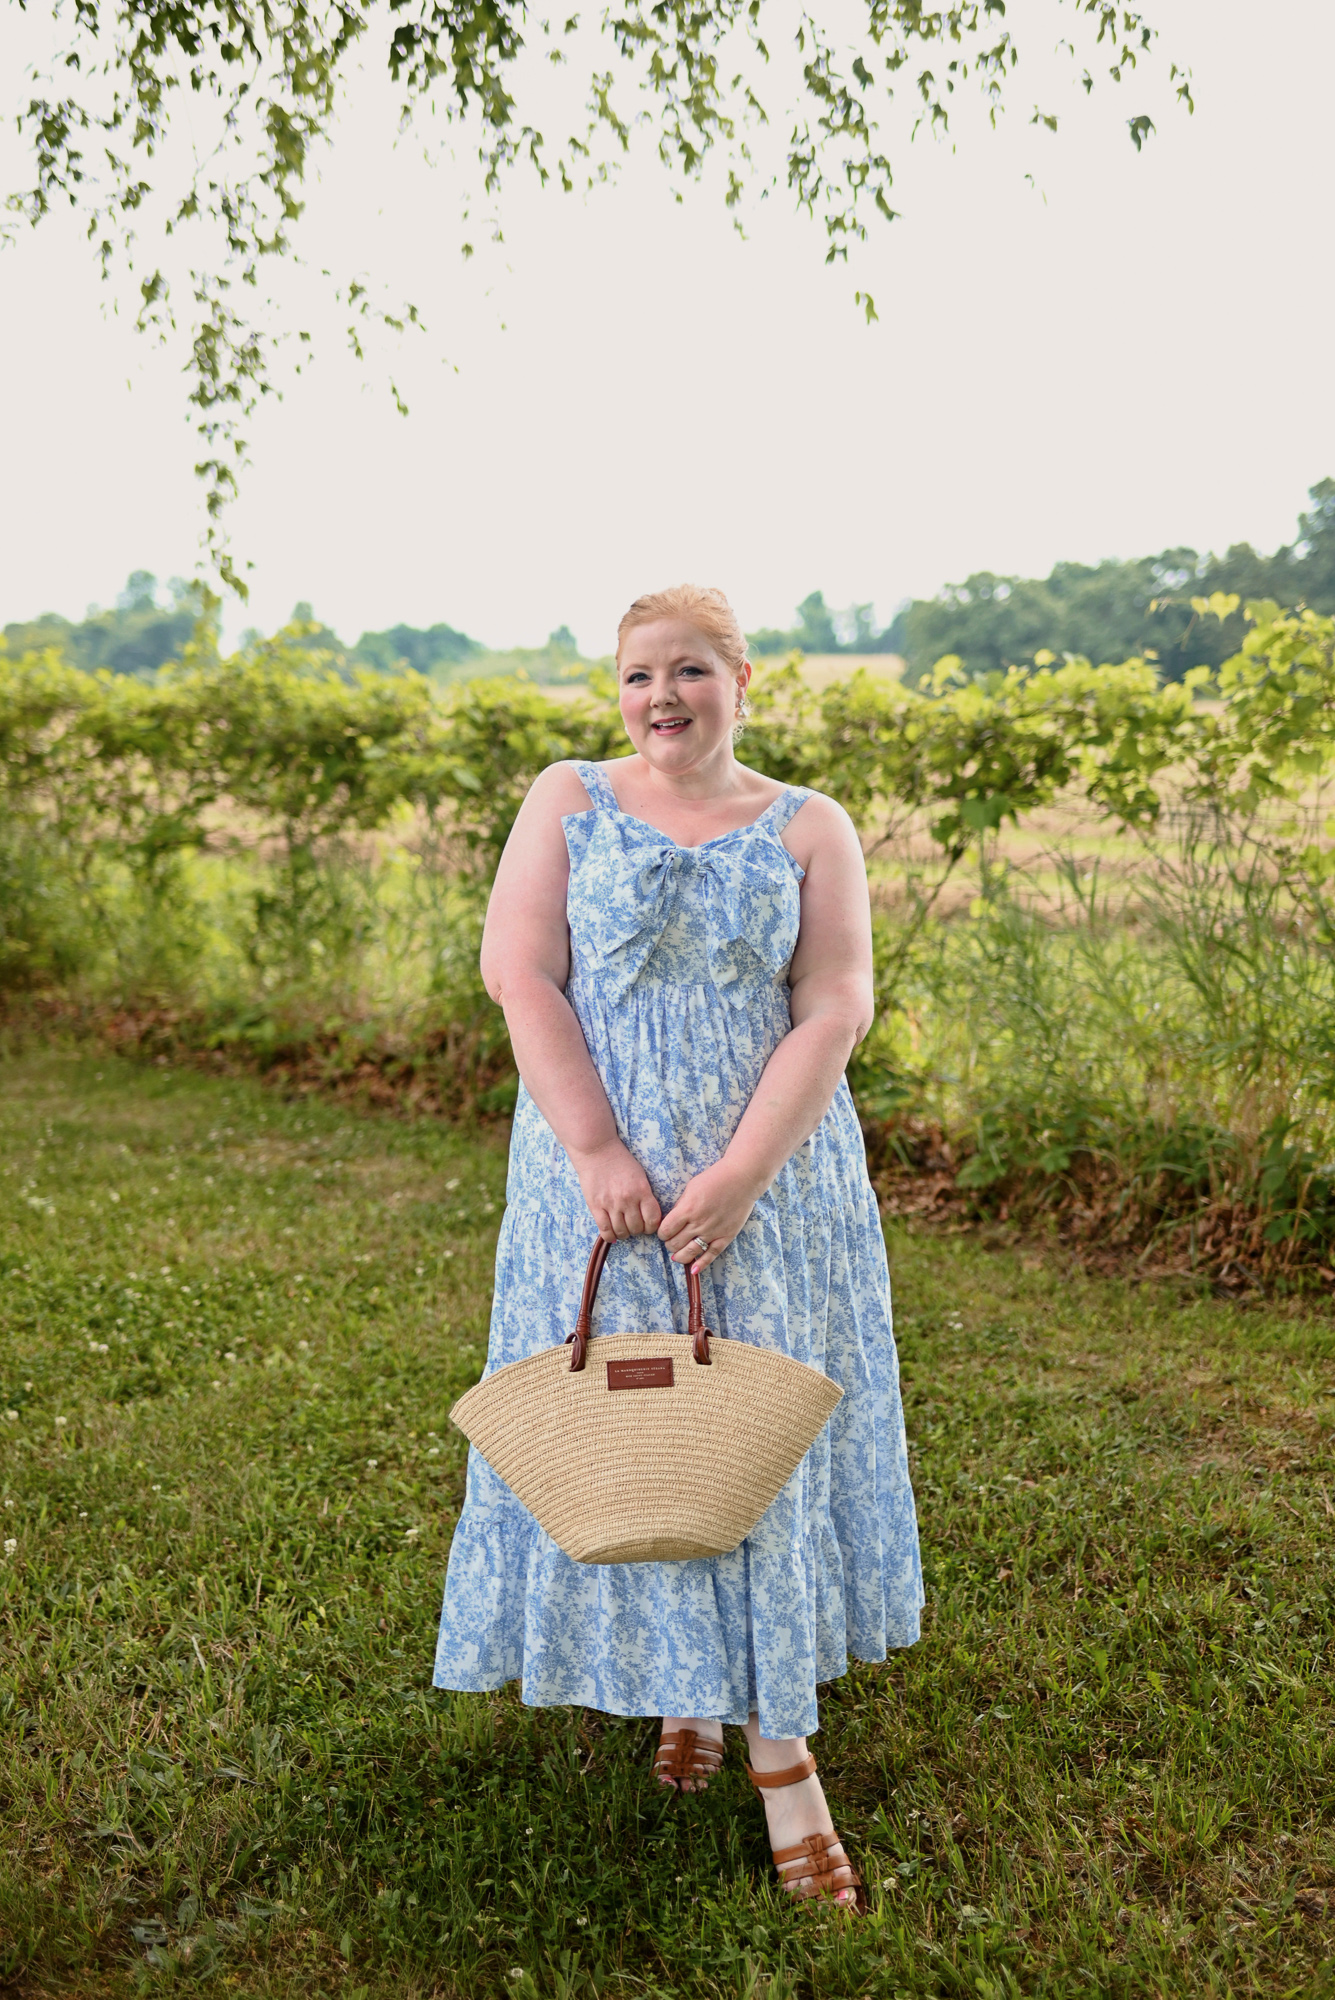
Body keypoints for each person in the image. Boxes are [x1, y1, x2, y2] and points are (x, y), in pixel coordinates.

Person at [434, 584, 923, 1910]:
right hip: (600, 1180)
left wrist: (744, 1174)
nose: (664, 697)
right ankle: (682, 1691)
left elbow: (834, 1000)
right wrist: (596, 1148)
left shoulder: (811, 824)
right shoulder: (569, 798)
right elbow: (517, 971)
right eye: (641, 675)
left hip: (771, 1179)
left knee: (751, 1427)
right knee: (642, 1432)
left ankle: (781, 1758)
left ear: (743, 678)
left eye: (692, 670)